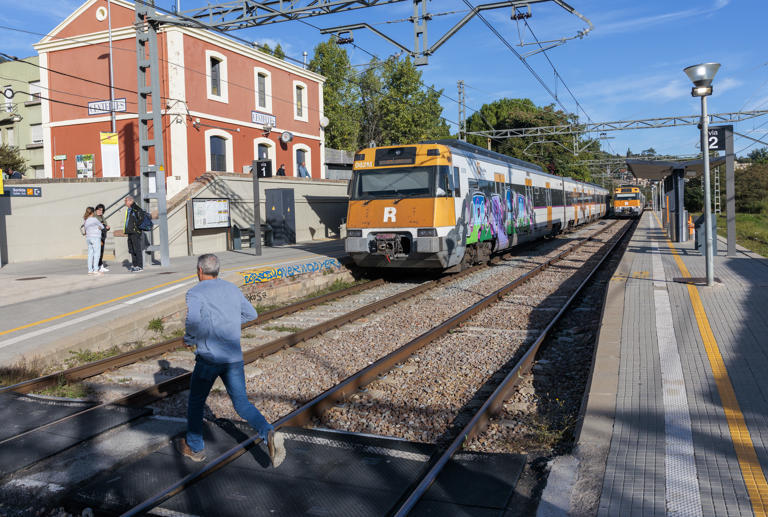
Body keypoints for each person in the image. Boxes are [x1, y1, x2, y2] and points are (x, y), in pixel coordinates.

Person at [175, 254, 286, 467]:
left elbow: (194, 321)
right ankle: (268, 432)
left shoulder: (195, 292)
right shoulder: (232, 288)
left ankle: (195, 448)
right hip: (233, 358)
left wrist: (189, 339)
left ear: (199, 270)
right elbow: (251, 314)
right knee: (242, 403)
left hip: (209, 358)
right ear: (218, 270)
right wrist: (230, 322)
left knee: (196, 403)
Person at [123, 195, 146, 272]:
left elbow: (141, 219)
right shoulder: (129, 209)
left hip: (135, 232)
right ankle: (135, 265)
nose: (125, 202)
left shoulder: (136, 209)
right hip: (129, 232)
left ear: (130, 201)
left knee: (137, 249)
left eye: (125, 201)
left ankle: (140, 266)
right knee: (132, 249)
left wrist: (135, 227)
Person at [83, 206, 104, 276]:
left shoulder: (85, 220)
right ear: (93, 212)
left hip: (88, 238)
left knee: (90, 254)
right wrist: (99, 227)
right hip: (95, 237)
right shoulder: (94, 219)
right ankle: (96, 270)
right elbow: (102, 226)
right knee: (97, 253)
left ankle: (90, 270)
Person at [94, 203, 111, 272]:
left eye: (102, 210)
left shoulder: (102, 217)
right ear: (96, 210)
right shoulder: (94, 217)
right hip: (97, 236)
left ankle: (100, 266)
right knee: (98, 252)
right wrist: (102, 226)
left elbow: (105, 225)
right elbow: (95, 227)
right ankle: (98, 266)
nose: (100, 211)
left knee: (101, 251)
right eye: (99, 210)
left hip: (102, 236)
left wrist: (107, 227)